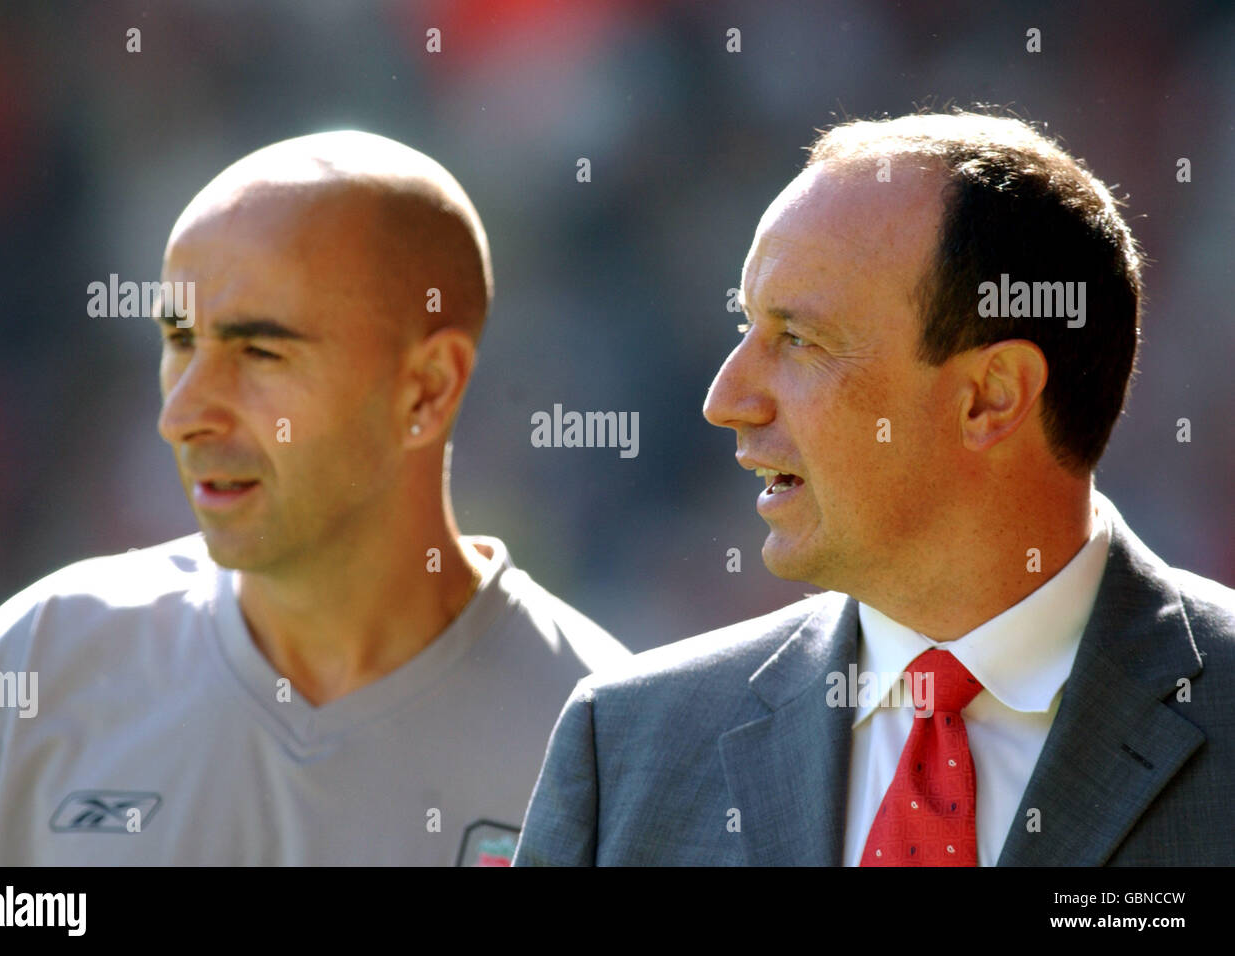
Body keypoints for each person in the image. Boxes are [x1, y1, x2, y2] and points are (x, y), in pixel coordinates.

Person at [512, 110, 1235, 866]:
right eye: (747, 327)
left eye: (798, 339)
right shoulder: (627, 749)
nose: (726, 400)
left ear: (991, 396)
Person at [0, 131, 629, 865]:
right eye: (180, 341)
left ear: (426, 387)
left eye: (260, 353)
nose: (181, 414)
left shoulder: (606, 744)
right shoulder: (26, 673)